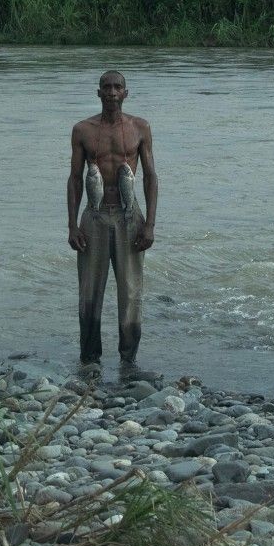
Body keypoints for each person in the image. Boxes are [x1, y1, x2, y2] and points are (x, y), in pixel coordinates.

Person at [67, 70, 157, 370]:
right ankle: (89, 358)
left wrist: (150, 225)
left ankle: (128, 359)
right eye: (106, 87)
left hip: (129, 214)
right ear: (98, 93)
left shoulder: (140, 127)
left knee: (131, 291)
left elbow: (151, 177)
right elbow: (75, 179)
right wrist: (71, 225)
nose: (112, 92)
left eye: (117, 87)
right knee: (90, 290)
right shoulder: (82, 130)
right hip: (94, 215)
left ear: (126, 93)